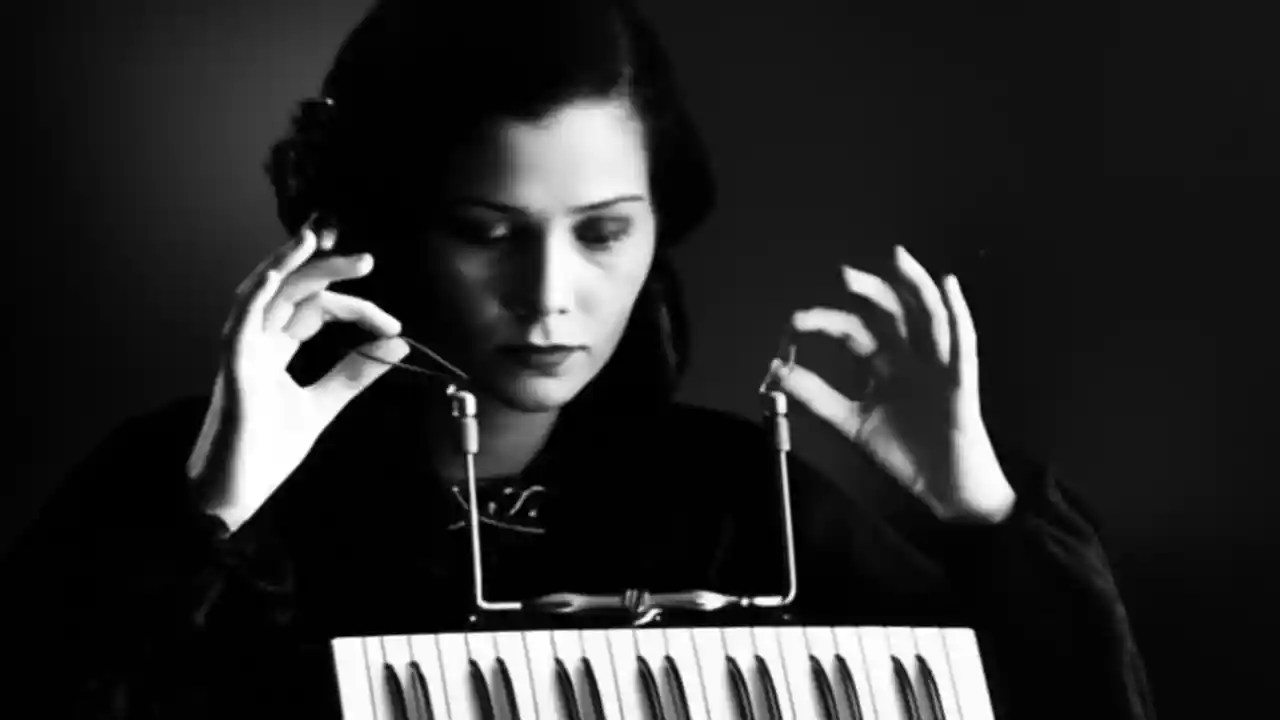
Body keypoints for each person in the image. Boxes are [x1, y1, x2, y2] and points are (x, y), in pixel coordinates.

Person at [3, 0, 1156, 717]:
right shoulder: (173, 479)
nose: (551, 299)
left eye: (602, 231)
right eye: (486, 232)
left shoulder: (725, 494)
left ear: (659, 224)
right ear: (378, 224)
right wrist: (212, 513)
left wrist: (987, 516)